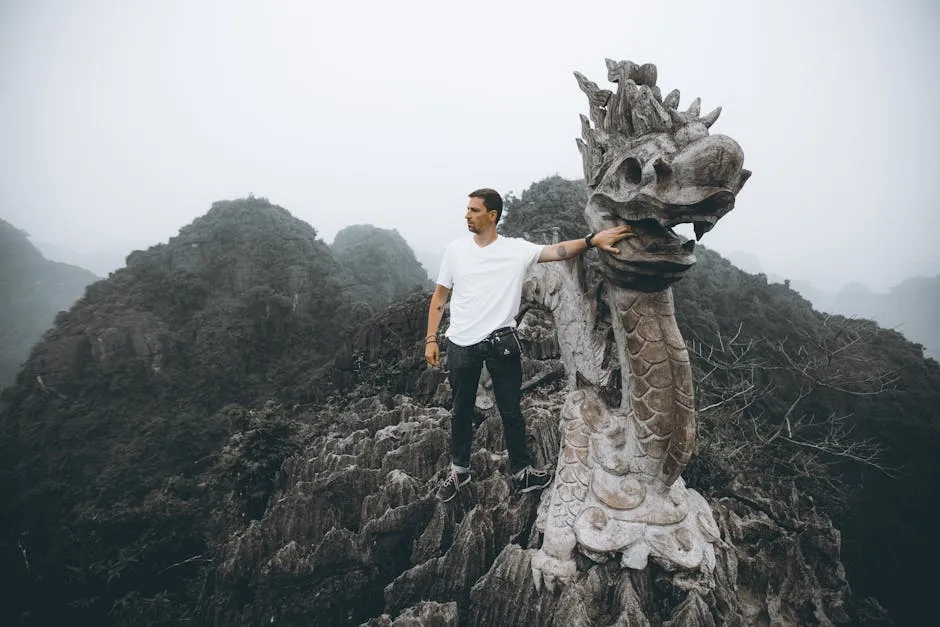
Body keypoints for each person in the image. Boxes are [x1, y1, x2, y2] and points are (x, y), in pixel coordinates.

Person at [425, 188, 633, 502]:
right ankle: (459, 470)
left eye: (474, 210)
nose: (467, 215)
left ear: (492, 215)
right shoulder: (455, 250)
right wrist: (430, 338)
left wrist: (592, 240)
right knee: (460, 411)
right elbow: (440, 296)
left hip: (501, 342)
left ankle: (522, 473)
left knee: (511, 412)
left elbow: (559, 251)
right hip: (461, 344)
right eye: (467, 209)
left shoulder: (516, 250)